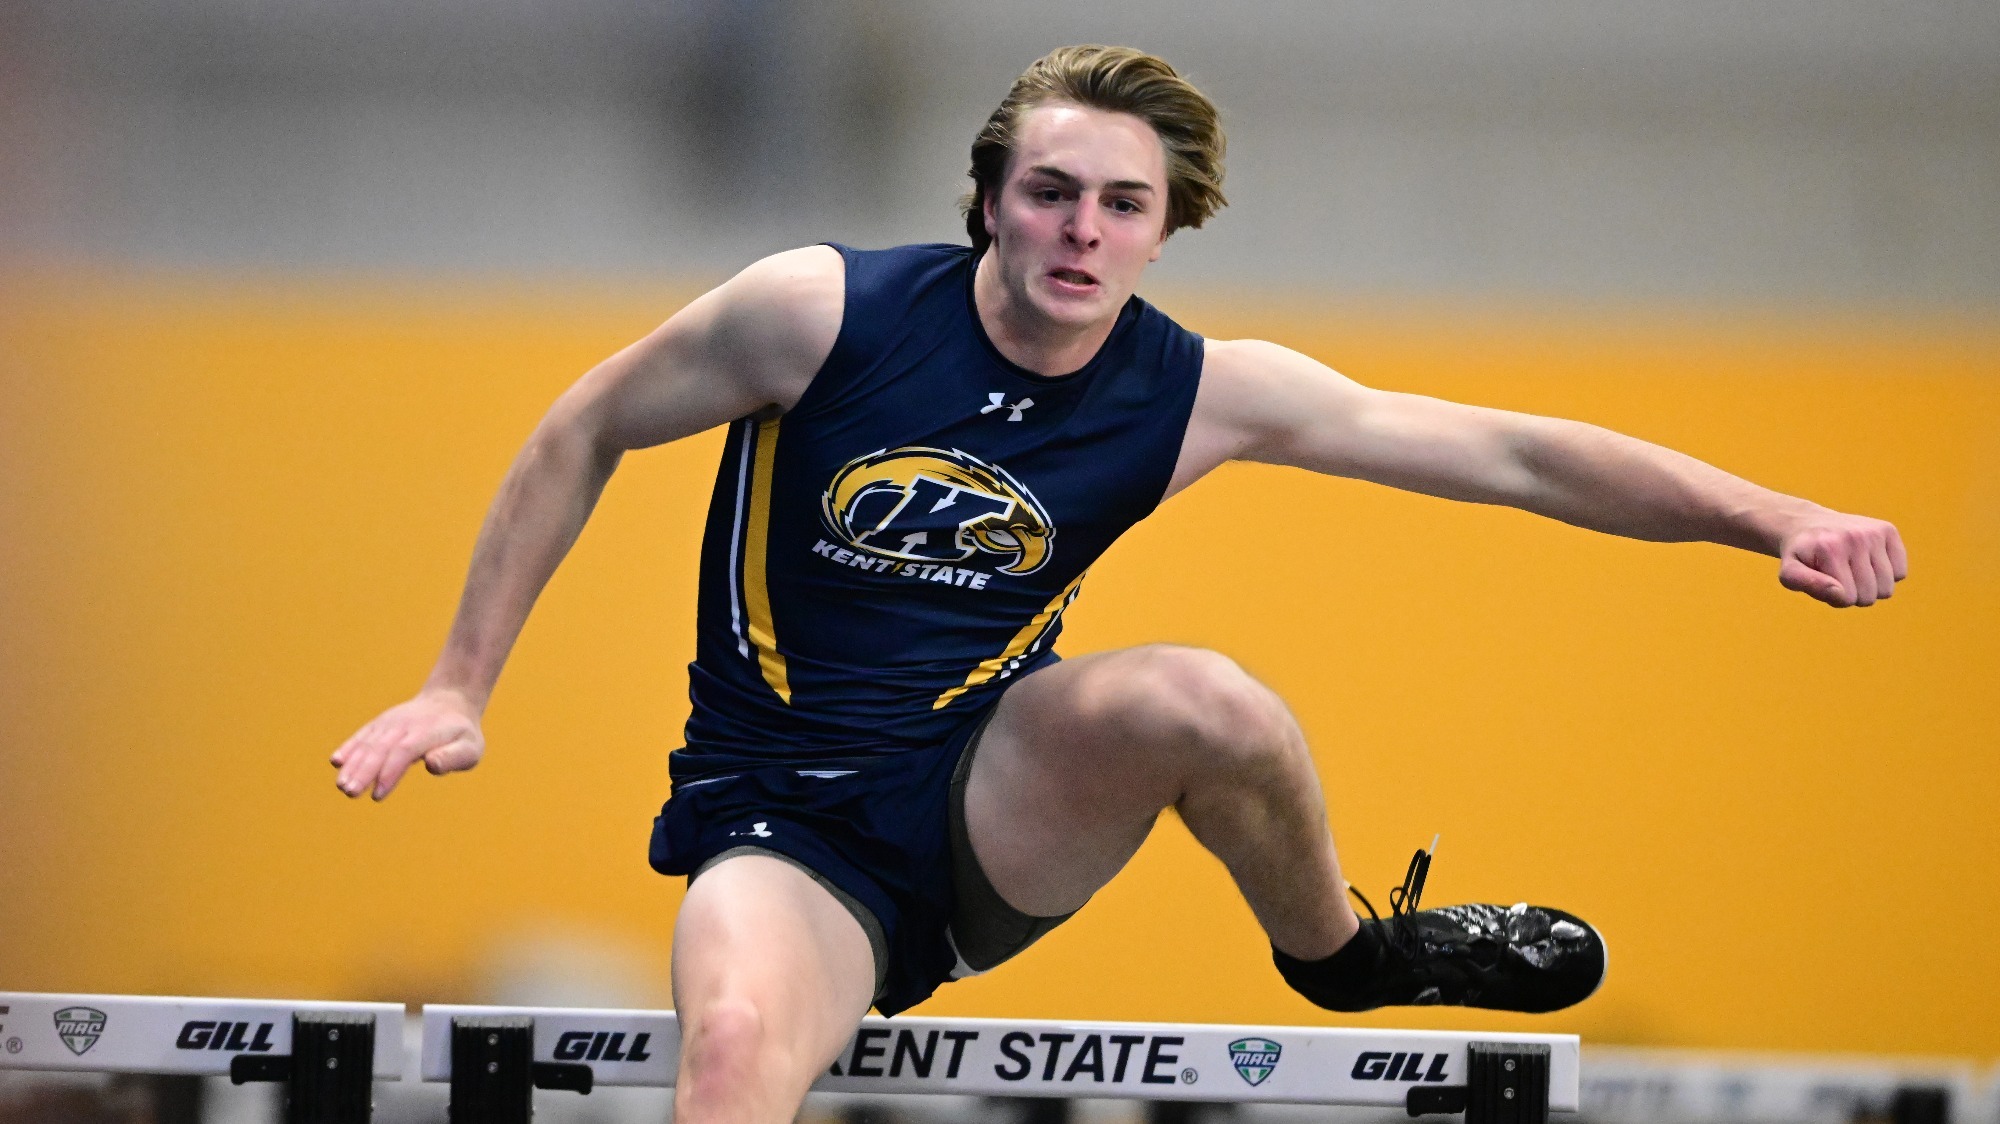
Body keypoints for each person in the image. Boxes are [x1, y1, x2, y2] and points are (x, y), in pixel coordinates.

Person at [329, 45, 1905, 1124]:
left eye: (1121, 204)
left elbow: (1518, 456)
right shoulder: (818, 313)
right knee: (734, 1046)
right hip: (788, 819)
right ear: (991, 199)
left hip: (989, 790)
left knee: (1199, 697)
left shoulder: (1200, 390)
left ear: (1169, 226)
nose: (1079, 232)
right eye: (1048, 192)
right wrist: (460, 682)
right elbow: (585, 423)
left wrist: (1773, 515)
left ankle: (1350, 957)